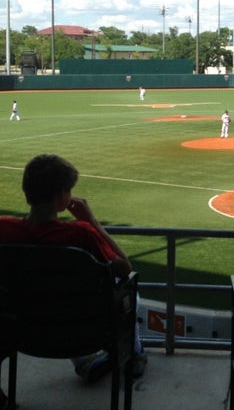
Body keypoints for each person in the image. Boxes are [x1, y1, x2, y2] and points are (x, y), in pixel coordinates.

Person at [0, 154, 147, 395]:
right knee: (130, 291)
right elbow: (125, 268)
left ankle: (87, 362)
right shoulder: (81, 234)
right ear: (61, 198)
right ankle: (134, 352)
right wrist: (94, 222)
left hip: (22, 329)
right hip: (83, 330)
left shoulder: (3, 229)